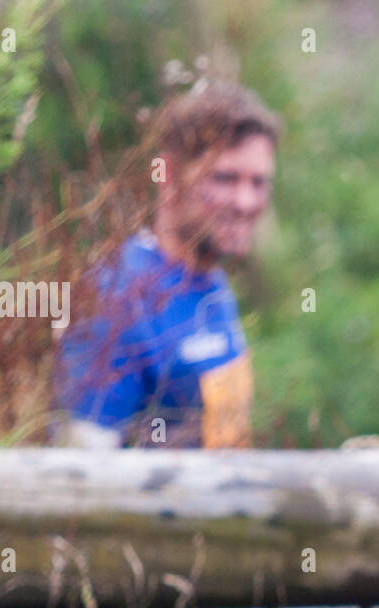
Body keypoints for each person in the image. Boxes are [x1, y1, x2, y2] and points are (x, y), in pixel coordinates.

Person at [54, 83, 280, 448]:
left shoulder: (211, 280)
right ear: (168, 177)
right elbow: (77, 480)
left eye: (259, 182)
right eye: (224, 178)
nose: (245, 201)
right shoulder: (113, 297)